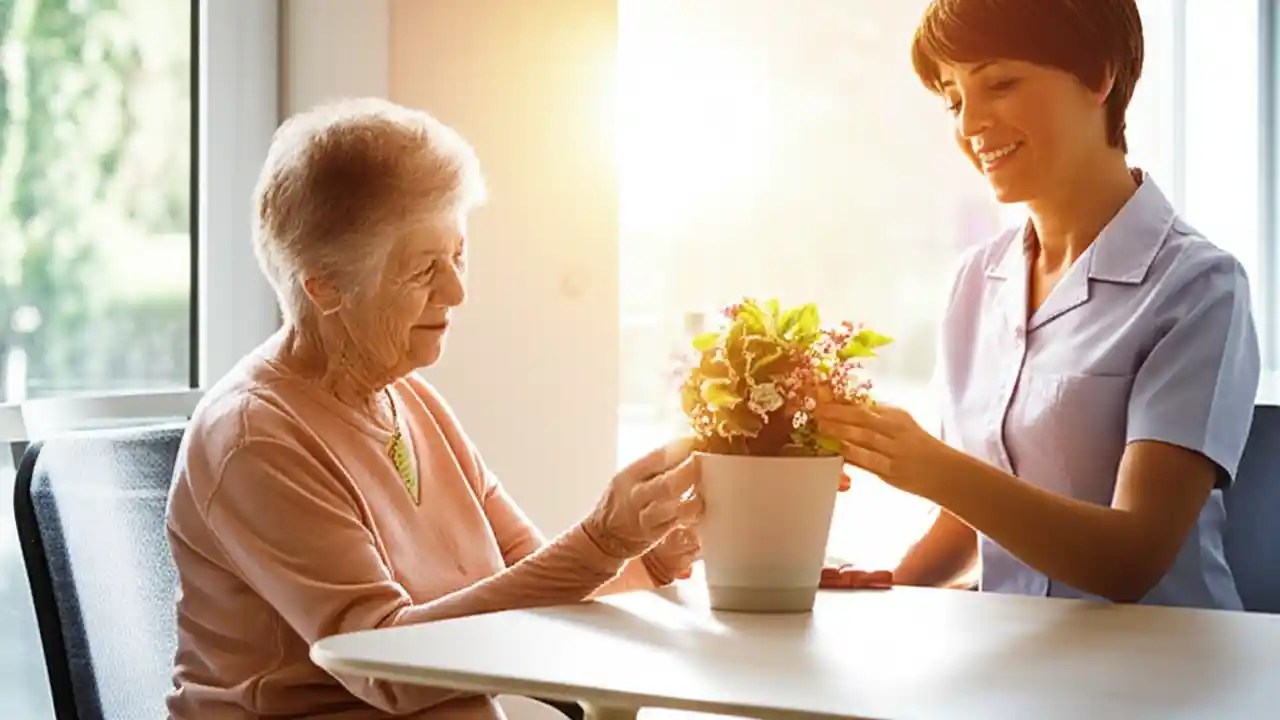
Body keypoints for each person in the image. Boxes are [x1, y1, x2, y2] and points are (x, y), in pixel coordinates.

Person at [165, 98, 703, 719]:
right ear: (324, 286)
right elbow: (386, 669)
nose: (456, 291)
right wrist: (601, 541)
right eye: (424, 269)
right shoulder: (256, 437)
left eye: (458, 256)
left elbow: (547, 584)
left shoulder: (413, 401)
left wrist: (655, 549)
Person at [818, 0, 1259, 609]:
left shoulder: (1198, 286)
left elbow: (1133, 560)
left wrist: (929, 465)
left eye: (999, 84)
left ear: (1099, 75)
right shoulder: (974, 281)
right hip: (1018, 659)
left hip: (1168, 674)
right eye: (953, 98)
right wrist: (885, 587)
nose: (970, 123)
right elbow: (972, 521)